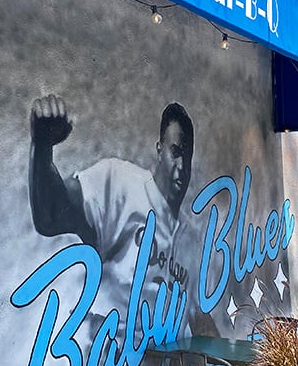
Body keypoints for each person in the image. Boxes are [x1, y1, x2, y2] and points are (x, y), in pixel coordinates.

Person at [29, 94, 194, 319]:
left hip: (161, 352)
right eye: (175, 153)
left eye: (187, 156)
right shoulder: (121, 183)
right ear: (159, 150)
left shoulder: (189, 238)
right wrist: (42, 145)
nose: (182, 166)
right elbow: (51, 215)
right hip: (106, 348)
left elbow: (195, 315)